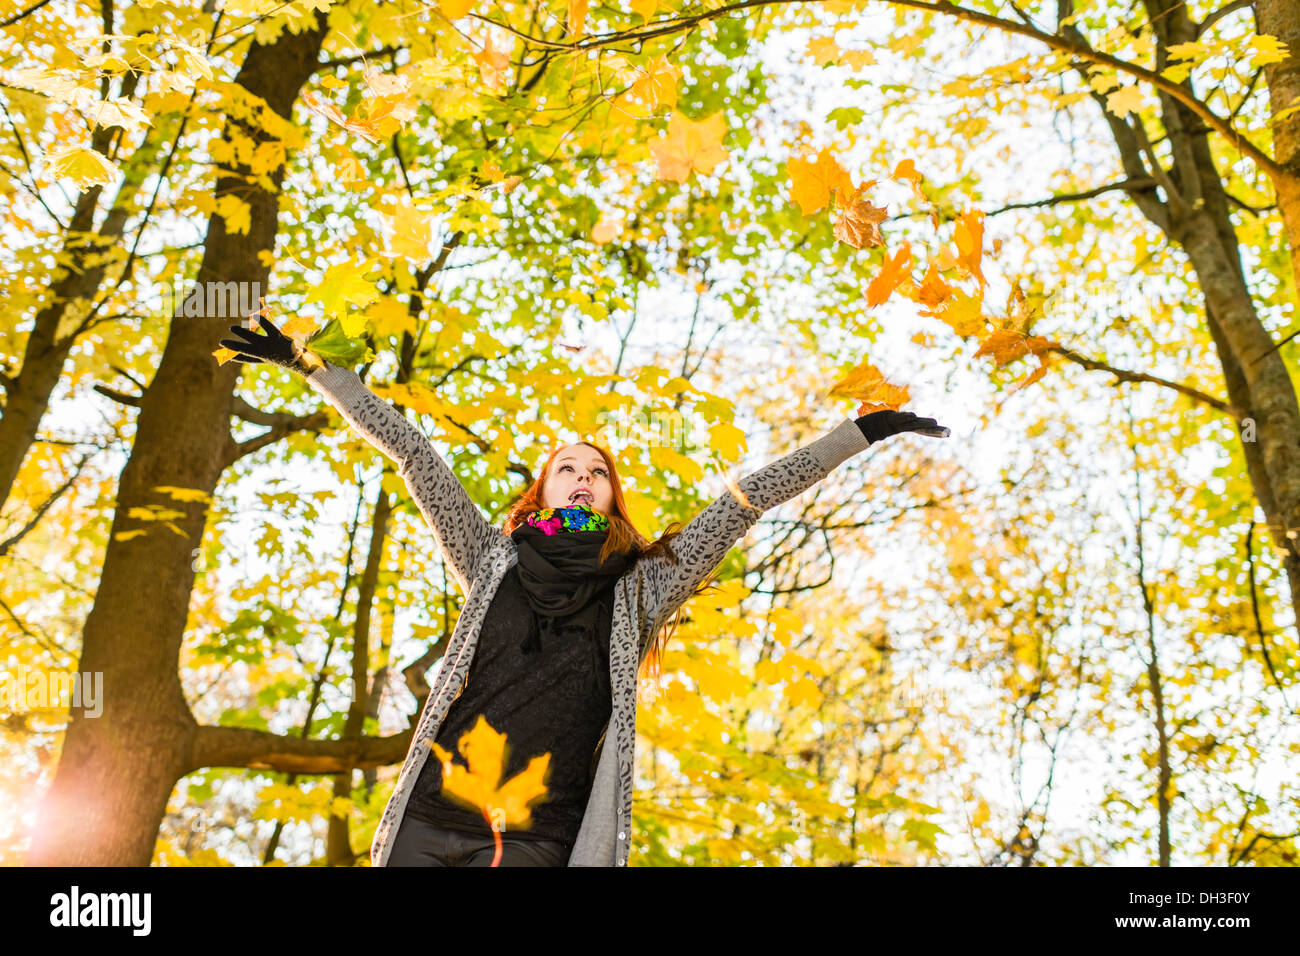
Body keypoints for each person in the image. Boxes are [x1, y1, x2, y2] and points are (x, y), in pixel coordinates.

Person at [219, 316, 949, 866]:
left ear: (609, 498)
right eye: (567, 466)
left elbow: (740, 504)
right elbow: (414, 453)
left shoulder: (641, 589)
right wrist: (311, 365)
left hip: (543, 835)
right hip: (433, 821)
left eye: (596, 471)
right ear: (541, 492)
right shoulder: (487, 560)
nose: (582, 475)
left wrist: (860, 432)